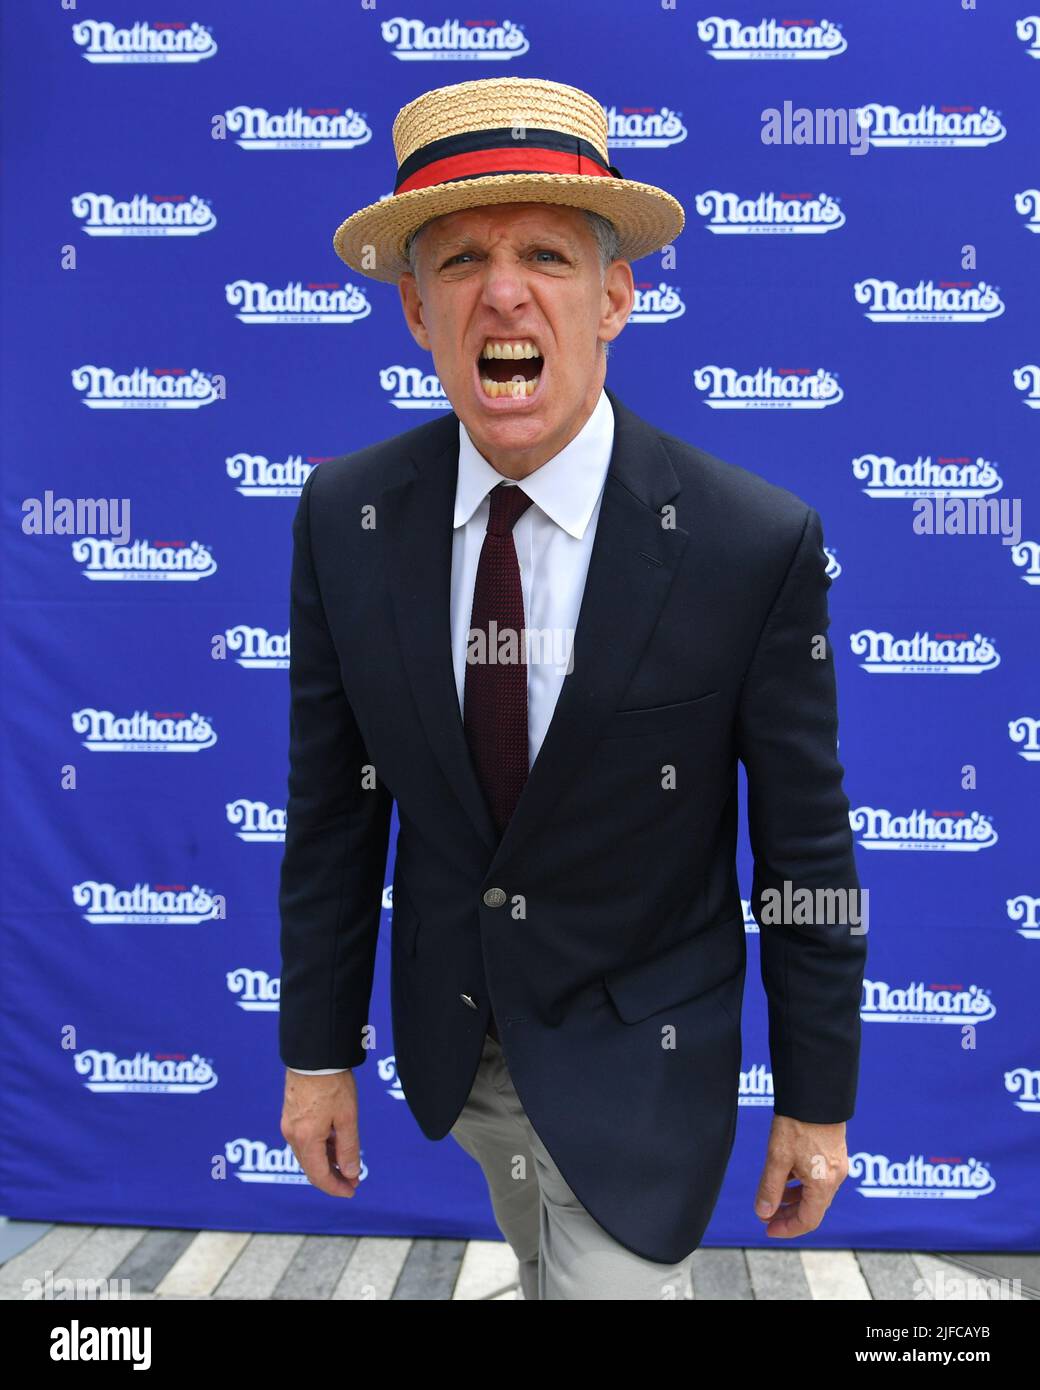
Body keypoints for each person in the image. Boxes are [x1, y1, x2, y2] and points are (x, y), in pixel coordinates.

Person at [278, 75, 867, 1300]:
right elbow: (334, 814)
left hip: (642, 1064)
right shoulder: (345, 518)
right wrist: (317, 1056)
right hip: (460, 1056)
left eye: (545, 252)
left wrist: (817, 1102)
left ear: (613, 297)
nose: (502, 291)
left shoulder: (747, 543)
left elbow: (802, 853)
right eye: (458, 261)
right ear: (414, 311)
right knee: (540, 1256)